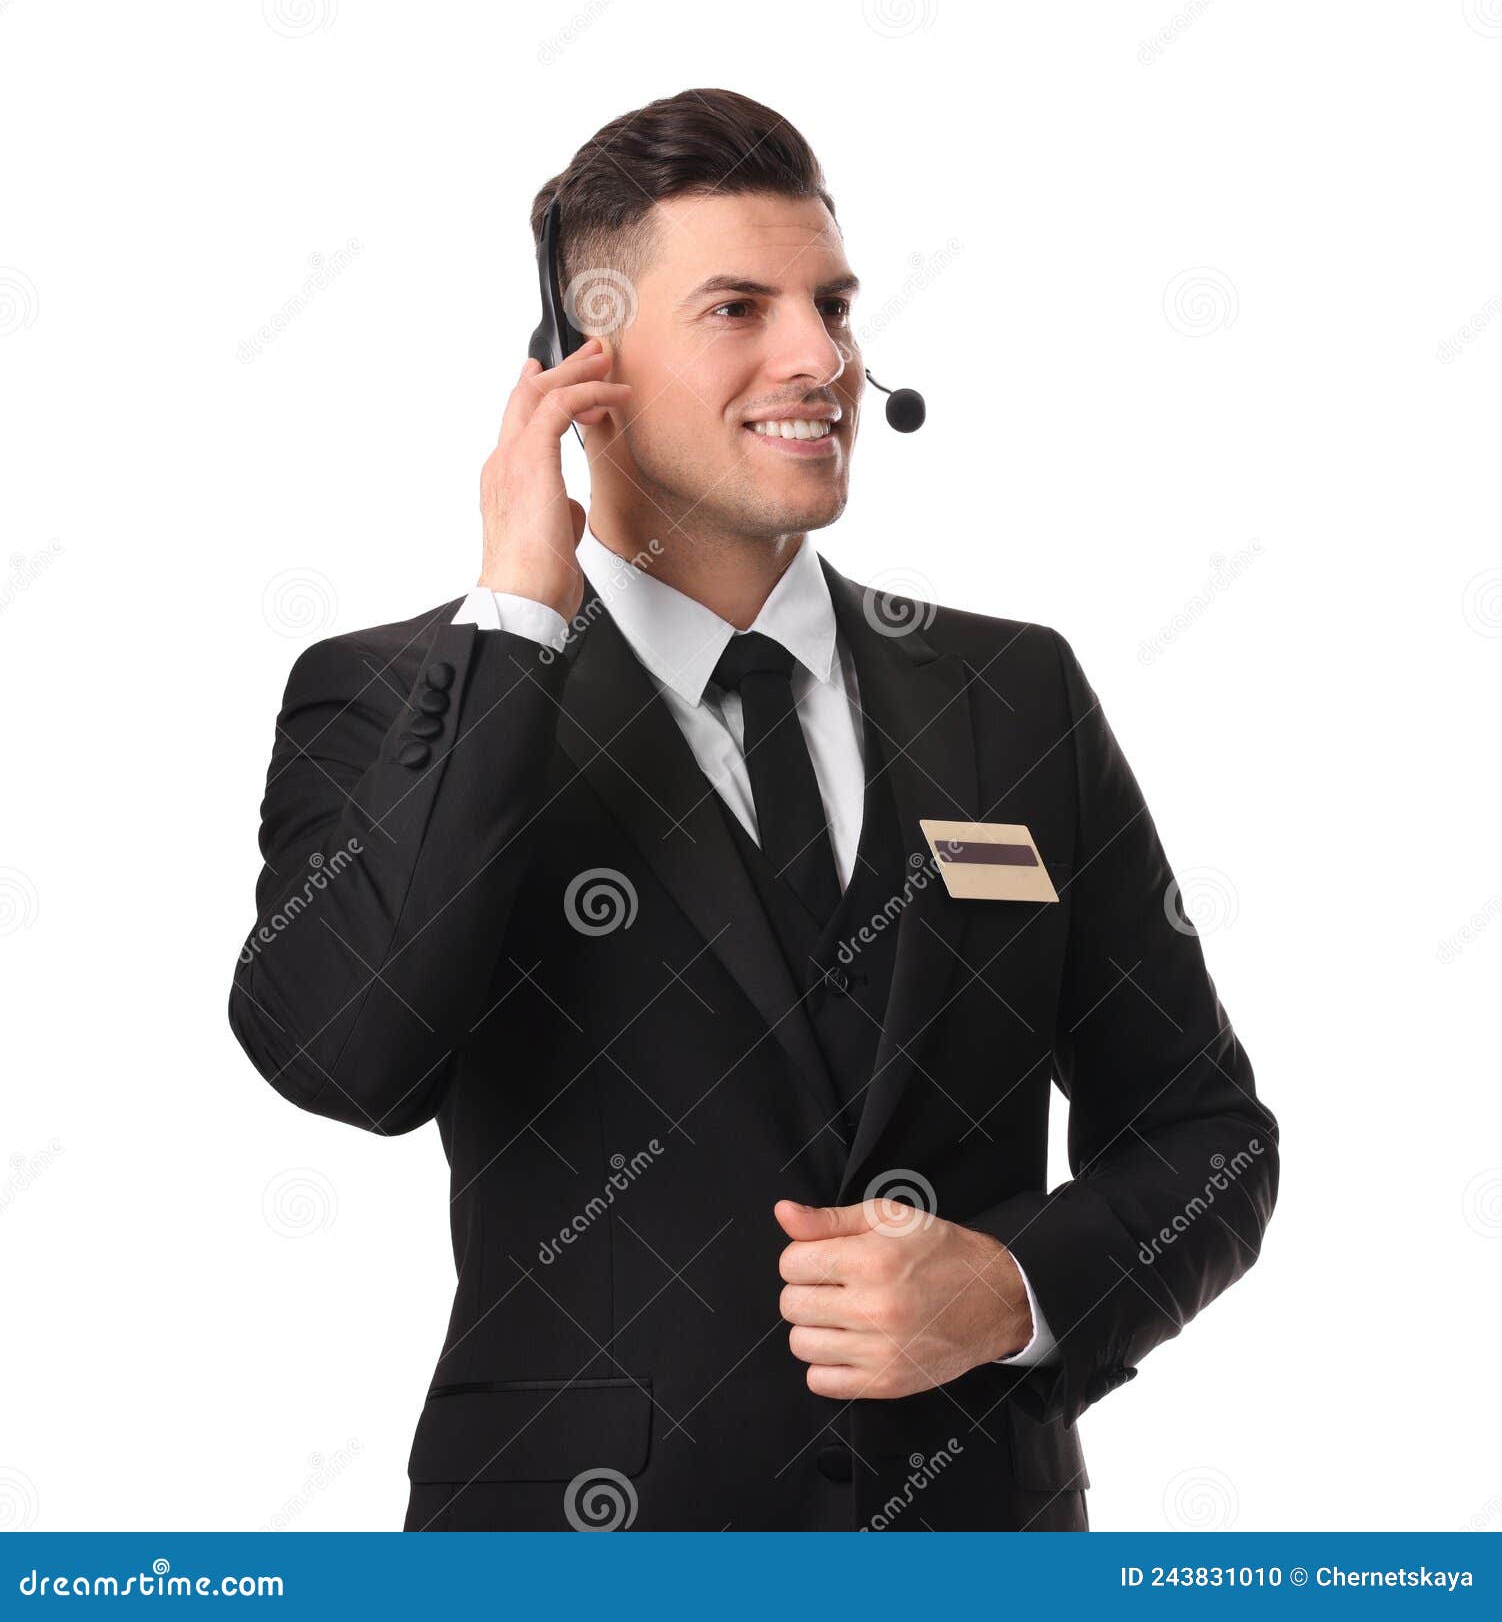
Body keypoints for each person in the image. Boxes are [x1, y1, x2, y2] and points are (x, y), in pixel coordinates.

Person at [228, 87, 1278, 1532]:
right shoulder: (395, 690)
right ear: (576, 365)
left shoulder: (1010, 691)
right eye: (737, 307)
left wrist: (1015, 1290)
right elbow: (345, 1054)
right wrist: (516, 626)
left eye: (832, 305)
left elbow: (1204, 1133)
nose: (820, 357)